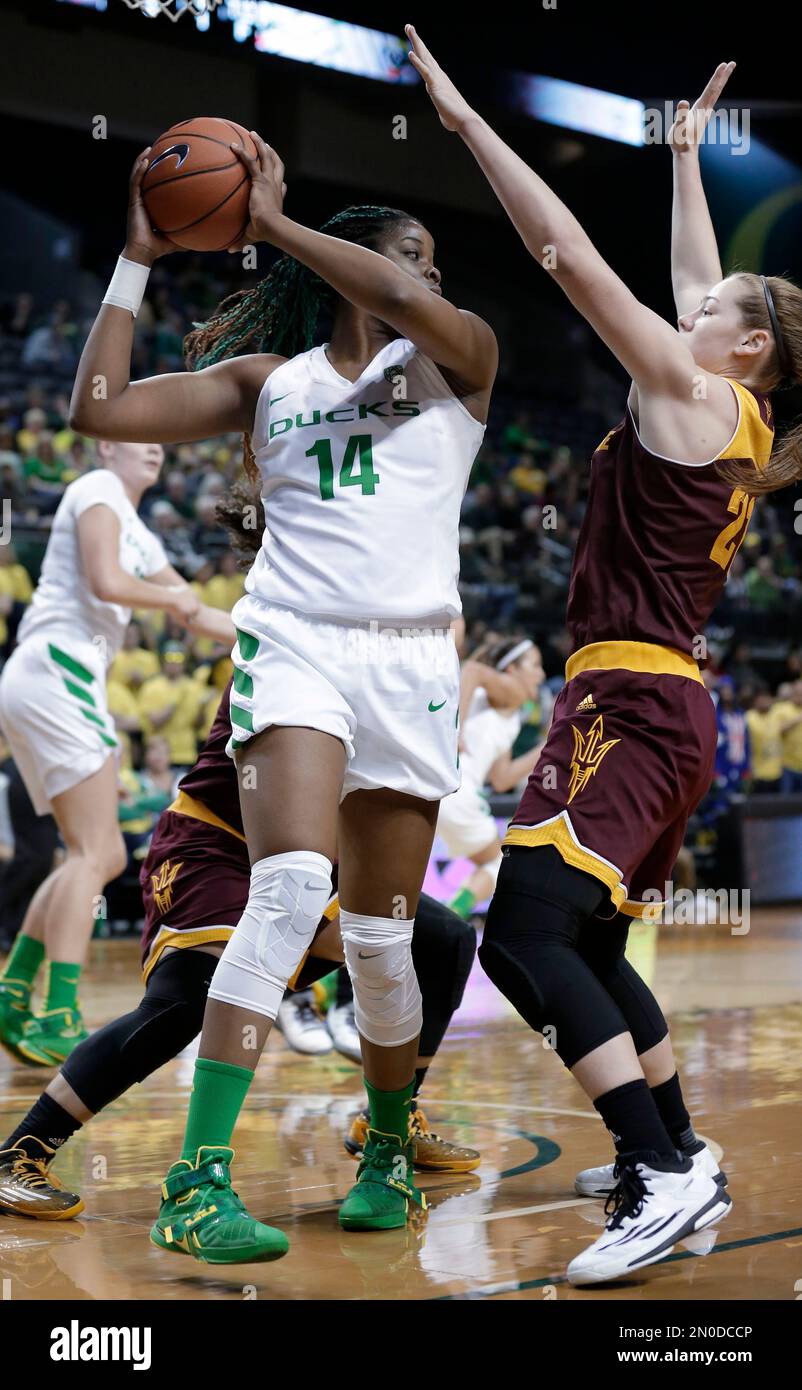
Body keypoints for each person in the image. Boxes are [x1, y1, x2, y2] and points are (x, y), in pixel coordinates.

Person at [409, 33, 802, 1284]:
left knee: (524, 935)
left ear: (746, 346)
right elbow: (698, 279)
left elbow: (565, 253)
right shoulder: (730, 405)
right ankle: (675, 1146)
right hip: (649, 696)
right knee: (578, 944)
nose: (691, 307)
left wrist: (469, 125)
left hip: (631, 697)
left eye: (713, 311)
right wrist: (684, 161)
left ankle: (660, 1168)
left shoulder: (689, 393)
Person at [67, 138, 498, 1261]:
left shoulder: (460, 360)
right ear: (358, 263)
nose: (431, 276)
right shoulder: (270, 383)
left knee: (382, 940)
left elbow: (410, 304)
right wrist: (136, 256)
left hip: (410, 660)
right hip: (296, 642)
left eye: (433, 263)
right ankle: (197, 1182)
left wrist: (271, 224)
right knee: (292, 884)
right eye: (414, 255)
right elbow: (98, 409)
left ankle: (388, 1151)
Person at [0, 441, 225, 1067]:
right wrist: (173, 602)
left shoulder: (139, 532)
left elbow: (194, 609)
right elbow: (108, 581)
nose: (153, 447)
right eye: (138, 437)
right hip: (59, 667)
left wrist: (269, 634)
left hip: (46, 675)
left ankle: (14, 993)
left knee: (91, 854)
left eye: (159, 440)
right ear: (106, 446)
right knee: (96, 854)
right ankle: (59, 1013)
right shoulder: (96, 489)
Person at [437, 634, 544, 919]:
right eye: (534, 665)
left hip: (440, 788)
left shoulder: (511, 711)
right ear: (511, 669)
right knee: (498, 864)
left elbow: (501, 779)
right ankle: (449, 918)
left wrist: (549, 746)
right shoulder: (512, 690)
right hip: (458, 792)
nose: (541, 674)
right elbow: (473, 670)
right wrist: (455, 728)